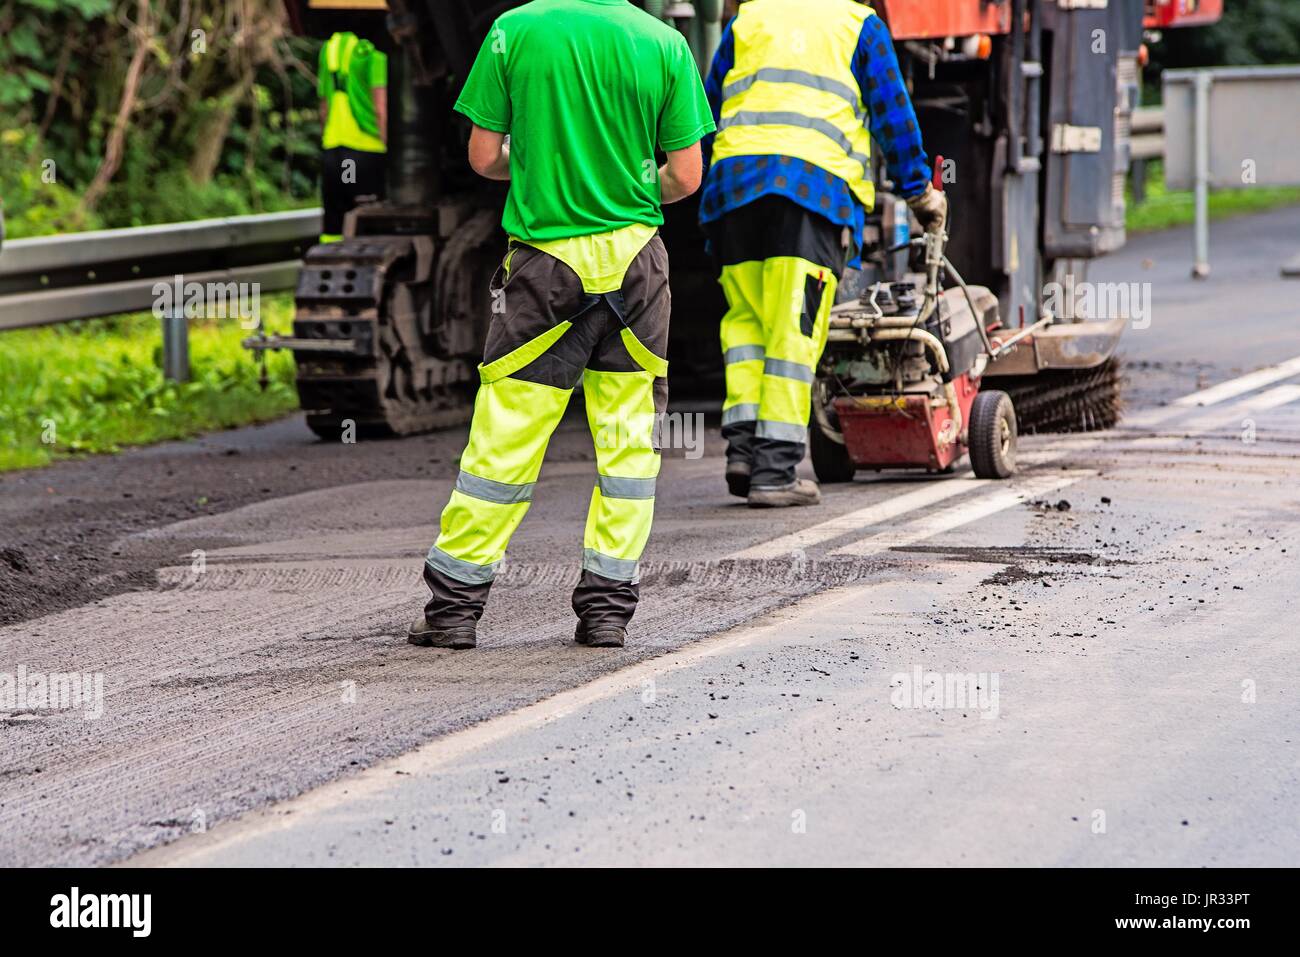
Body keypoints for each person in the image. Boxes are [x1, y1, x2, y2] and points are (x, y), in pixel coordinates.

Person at [408, 0, 714, 651]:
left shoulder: (512, 33)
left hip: (546, 270)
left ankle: (454, 611)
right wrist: (622, 188)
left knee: (505, 437)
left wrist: (542, 170)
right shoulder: (662, 42)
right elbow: (686, 176)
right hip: (636, 267)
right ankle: (606, 612)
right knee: (629, 445)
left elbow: (483, 155)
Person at [701, 0, 947, 506]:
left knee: (747, 325)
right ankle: (775, 471)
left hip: (733, 196)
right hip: (810, 195)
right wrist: (920, 191)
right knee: (795, 330)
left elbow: (707, 109)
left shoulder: (749, 19)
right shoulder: (858, 26)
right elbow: (893, 118)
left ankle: (744, 453)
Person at [318, 31, 388, 243]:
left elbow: (323, 107)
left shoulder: (328, 49)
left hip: (333, 149)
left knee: (334, 218)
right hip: (362, 151)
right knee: (362, 214)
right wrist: (387, 143)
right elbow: (380, 108)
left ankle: (328, 260)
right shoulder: (372, 53)